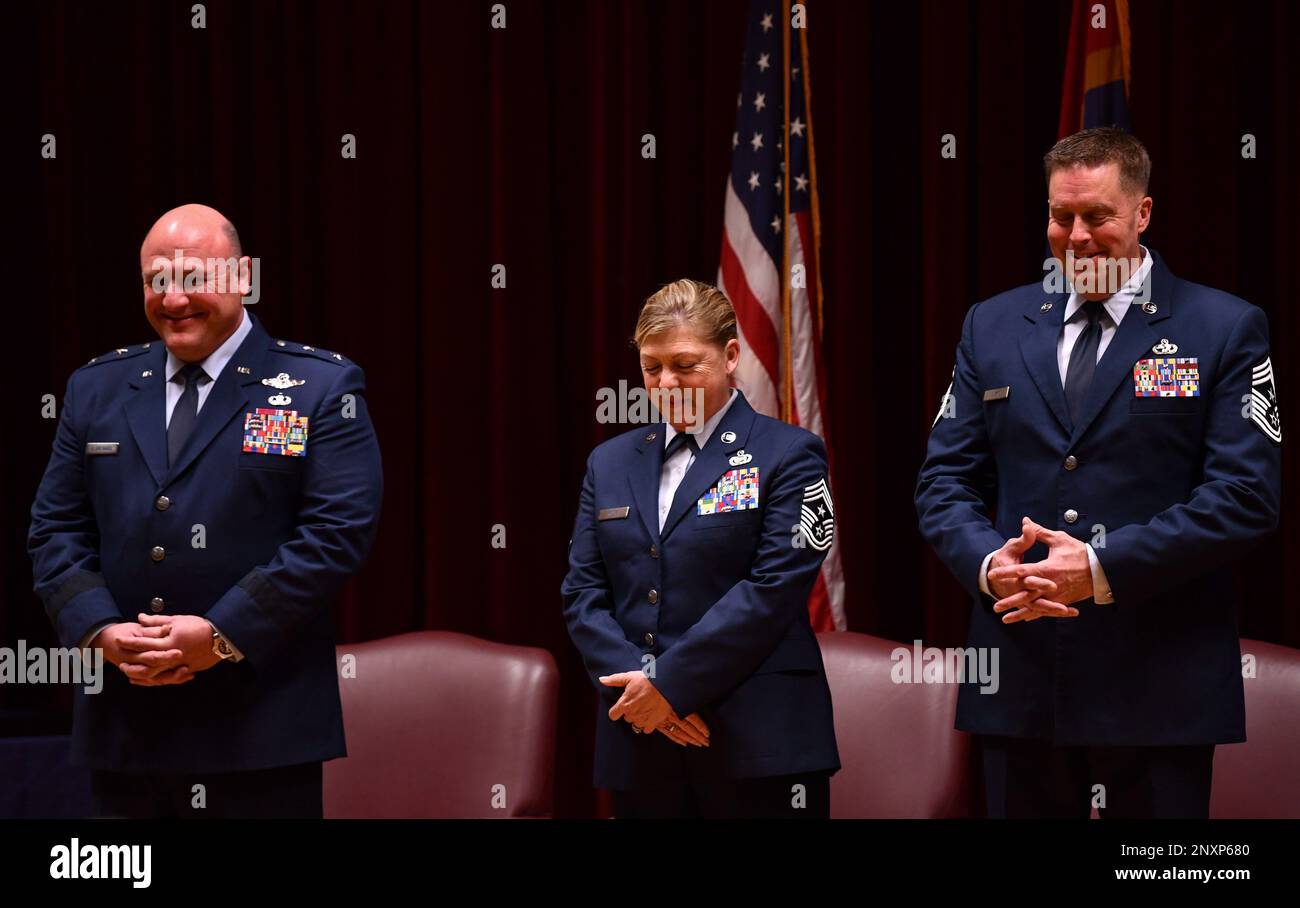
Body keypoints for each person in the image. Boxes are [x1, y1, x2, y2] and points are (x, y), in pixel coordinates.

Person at [915, 128, 1281, 818]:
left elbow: (1245, 497)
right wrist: (991, 565)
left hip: (1158, 688)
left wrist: (1101, 566)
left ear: (1143, 213)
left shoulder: (1222, 328)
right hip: (1018, 681)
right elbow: (942, 483)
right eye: (1061, 216)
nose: (1076, 237)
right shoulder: (991, 326)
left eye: (1098, 217)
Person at [28, 203, 384, 818]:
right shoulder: (97, 388)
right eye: (155, 280)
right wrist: (102, 632)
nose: (173, 299)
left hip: (260, 731)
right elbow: (56, 528)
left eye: (194, 278)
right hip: (127, 728)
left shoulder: (319, 387)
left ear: (243, 276)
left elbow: (335, 534)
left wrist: (220, 638)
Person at [562, 278, 840, 818]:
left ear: (731, 355)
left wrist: (669, 686)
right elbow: (582, 592)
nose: (667, 383)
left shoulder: (788, 454)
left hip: (758, 742)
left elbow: (771, 591)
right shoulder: (610, 462)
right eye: (651, 367)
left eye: (686, 365)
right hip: (641, 742)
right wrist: (641, 692)